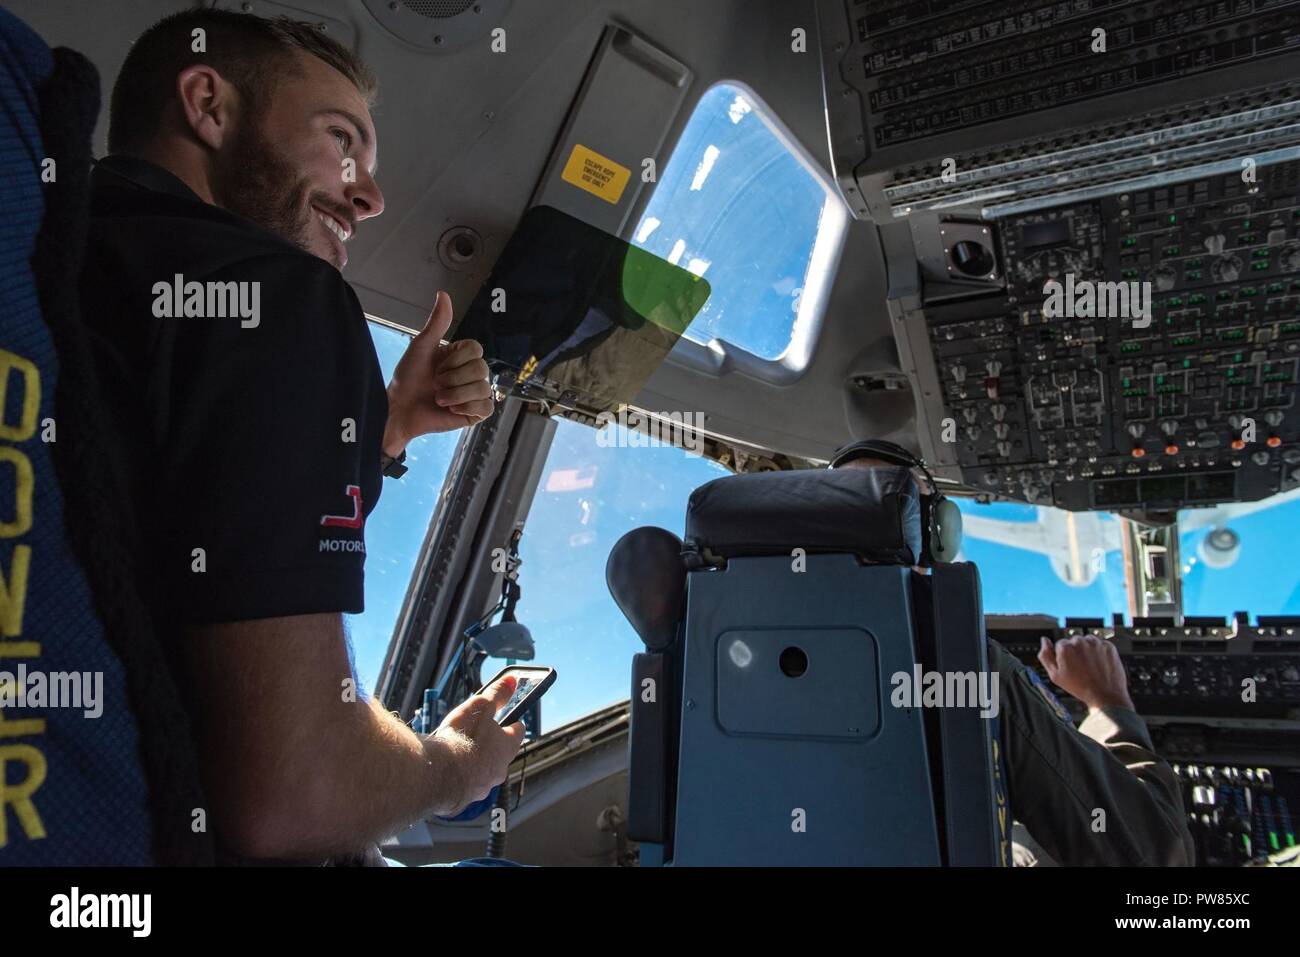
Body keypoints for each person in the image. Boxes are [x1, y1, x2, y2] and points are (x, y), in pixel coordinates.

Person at [77, 8, 523, 863]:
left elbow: (161, 501)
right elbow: (291, 796)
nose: (371, 195)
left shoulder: (67, 256)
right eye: (342, 140)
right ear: (209, 104)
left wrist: (385, 427)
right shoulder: (277, 292)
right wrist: (458, 767)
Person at [833, 451, 1195, 866]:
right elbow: (1151, 858)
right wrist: (1108, 703)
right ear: (938, 537)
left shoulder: (742, 641)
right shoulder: (955, 657)